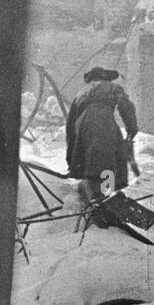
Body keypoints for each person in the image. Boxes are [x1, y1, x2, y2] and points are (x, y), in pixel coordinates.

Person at [65, 66, 138, 203]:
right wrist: (131, 127)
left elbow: (70, 126)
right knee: (109, 158)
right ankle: (106, 196)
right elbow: (125, 105)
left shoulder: (81, 92)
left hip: (81, 126)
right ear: (106, 78)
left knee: (88, 161)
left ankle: (92, 194)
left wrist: (71, 156)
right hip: (103, 121)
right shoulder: (112, 87)